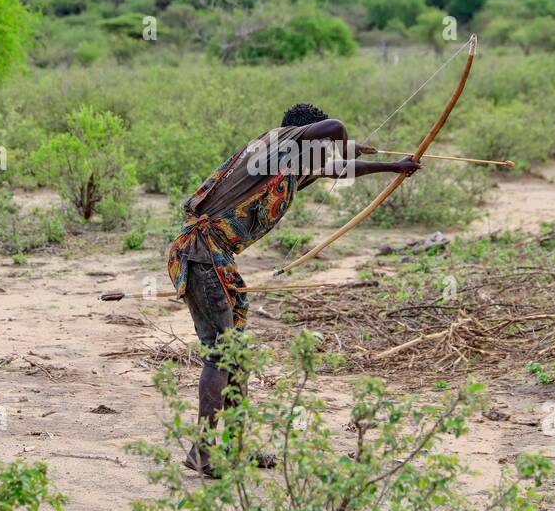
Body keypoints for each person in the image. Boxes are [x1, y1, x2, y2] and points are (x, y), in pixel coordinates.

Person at [166, 102, 420, 475]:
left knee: (237, 357)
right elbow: (335, 125)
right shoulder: (276, 143)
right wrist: (338, 143)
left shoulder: (286, 165)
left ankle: (235, 450)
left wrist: (393, 167)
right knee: (222, 356)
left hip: (214, 259)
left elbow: (338, 167)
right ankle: (202, 451)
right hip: (203, 255)